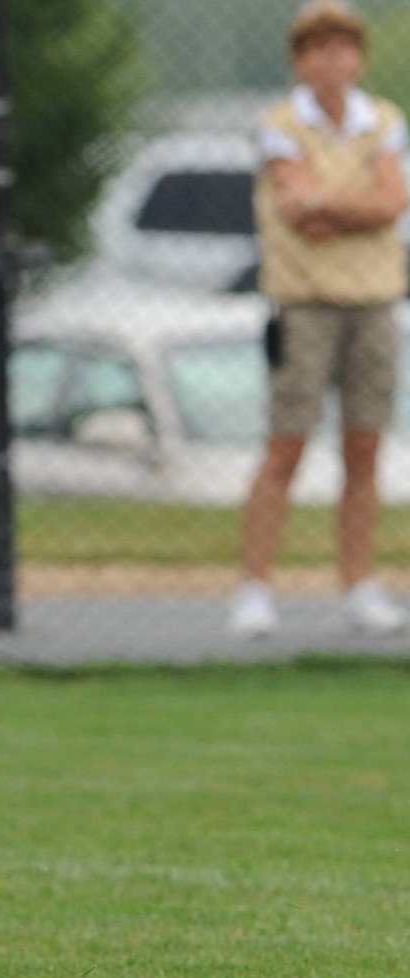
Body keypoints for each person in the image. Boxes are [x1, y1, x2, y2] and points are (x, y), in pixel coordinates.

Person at [230, 0, 409, 638]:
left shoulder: (383, 120)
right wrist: (355, 204)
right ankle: (254, 591)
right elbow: (294, 207)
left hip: (374, 303)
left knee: (364, 448)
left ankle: (359, 586)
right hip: (304, 307)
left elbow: (393, 201)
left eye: (344, 48)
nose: (334, 61)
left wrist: (331, 203)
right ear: (300, 60)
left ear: (358, 57)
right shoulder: (281, 124)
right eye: (320, 49)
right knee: (286, 448)